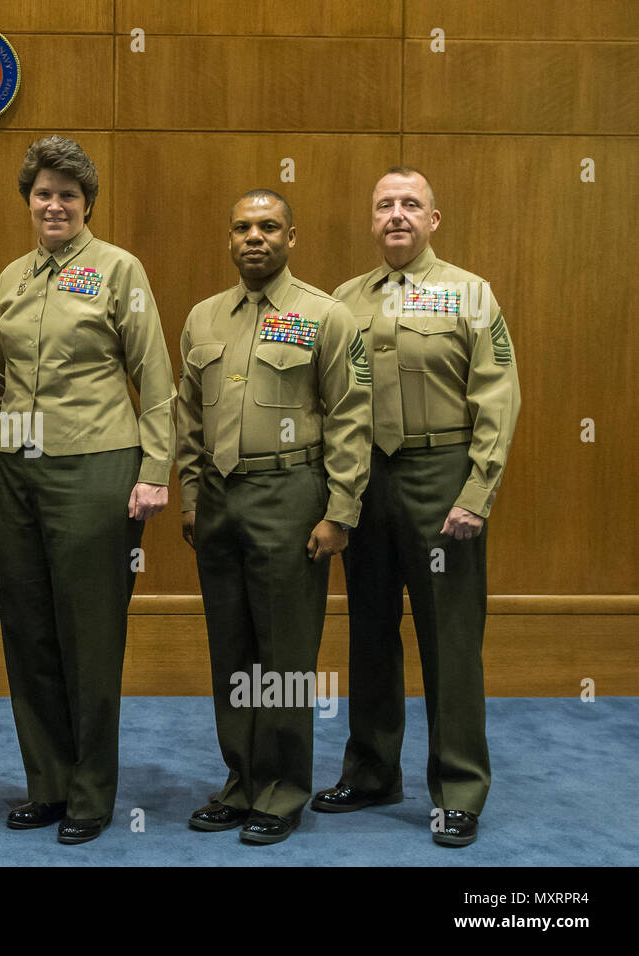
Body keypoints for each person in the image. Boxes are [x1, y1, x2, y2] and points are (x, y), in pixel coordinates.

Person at [312, 168, 520, 847]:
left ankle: (458, 789)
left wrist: (477, 492)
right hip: (368, 479)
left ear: (435, 219)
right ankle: (372, 772)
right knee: (370, 632)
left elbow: (499, 396)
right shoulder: (345, 300)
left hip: (441, 474)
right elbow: (332, 403)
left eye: (410, 205)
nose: (396, 215)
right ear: (371, 221)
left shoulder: (470, 293)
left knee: (450, 640)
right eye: (384, 206)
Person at [0, 136, 176, 845]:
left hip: (96, 468)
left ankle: (91, 793)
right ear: (28, 202)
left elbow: (154, 378)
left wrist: (156, 470)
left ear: (86, 203)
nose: (54, 204)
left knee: (89, 636)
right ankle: (48, 784)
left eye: (68, 194)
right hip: (15, 475)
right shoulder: (10, 277)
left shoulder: (118, 269)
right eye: (43, 193)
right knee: (28, 633)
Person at [177, 189, 373, 845]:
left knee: (284, 654)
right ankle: (241, 782)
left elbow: (351, 418)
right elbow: (187, 418)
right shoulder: (204, 318)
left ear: (293, 237)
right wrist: (191, 496)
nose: (253, 236)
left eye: (268, 226)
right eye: (241, 227)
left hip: (292, 496)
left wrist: (340, 510)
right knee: (233, 652)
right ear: (228, 239)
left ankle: (284, 789)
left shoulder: (325, 315)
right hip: (220, 499)